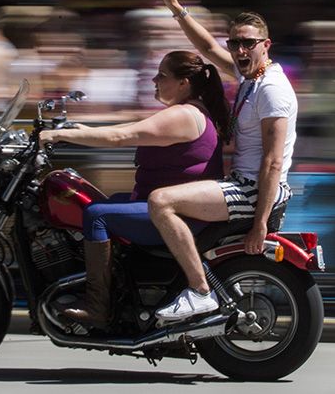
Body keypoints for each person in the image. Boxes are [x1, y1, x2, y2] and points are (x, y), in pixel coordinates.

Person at [39, 50, 230, 329]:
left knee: (96, 214)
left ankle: (97, 308)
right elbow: (132, 127)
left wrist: (59, 135)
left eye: (162, 76)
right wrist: (79, 129)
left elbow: (122, 136)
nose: (154, 80)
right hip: (178, 210)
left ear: (184, 82)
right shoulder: (191, 111)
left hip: (178, 217)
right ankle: (121, 287)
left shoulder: (184, 115)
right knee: (109, 200)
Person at [149, 0, 298, 322]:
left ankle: (200, 292)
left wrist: (259, 224)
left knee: (160, 201)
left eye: (248, 43)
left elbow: (274, 161)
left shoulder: (271, 89)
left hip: (254, 190)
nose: (239, 50)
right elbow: (207, 49)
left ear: (266, 45)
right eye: (234, 44)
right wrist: (174, 6)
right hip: (246, 184)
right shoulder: (251, 77)